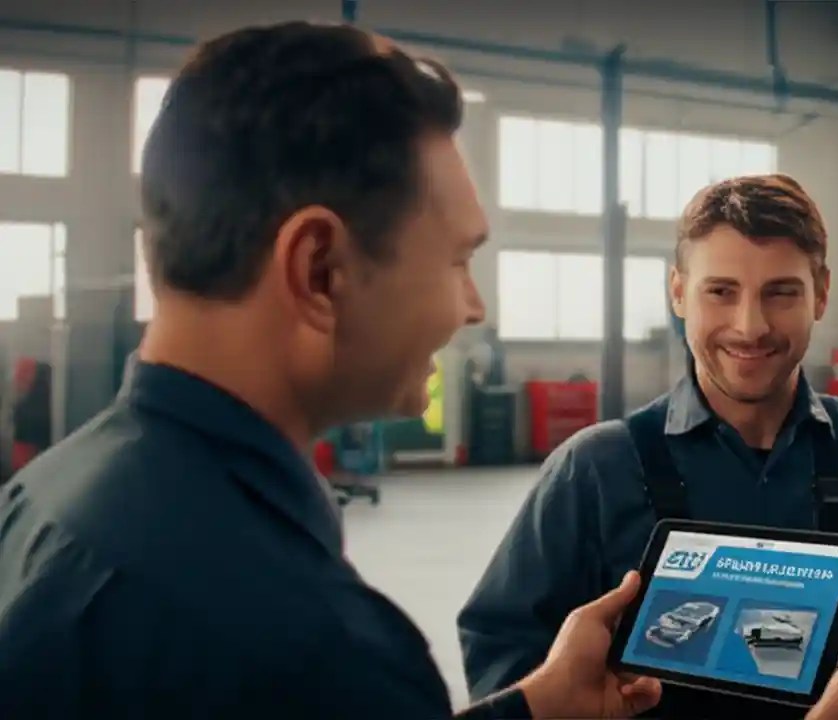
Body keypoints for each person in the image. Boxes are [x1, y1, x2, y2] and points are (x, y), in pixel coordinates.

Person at [0, 21, 662, 719]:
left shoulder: (47, 496)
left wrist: (533, 710)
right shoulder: (320, 651)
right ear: (320, 270)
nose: (474, 307)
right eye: (458, 262)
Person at [458, 174, 838, 717]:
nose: (749, 326)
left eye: (781, 292)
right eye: (721, 291)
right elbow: (503, 647)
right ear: (679, 292)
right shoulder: (592, 471)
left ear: (822, 293)